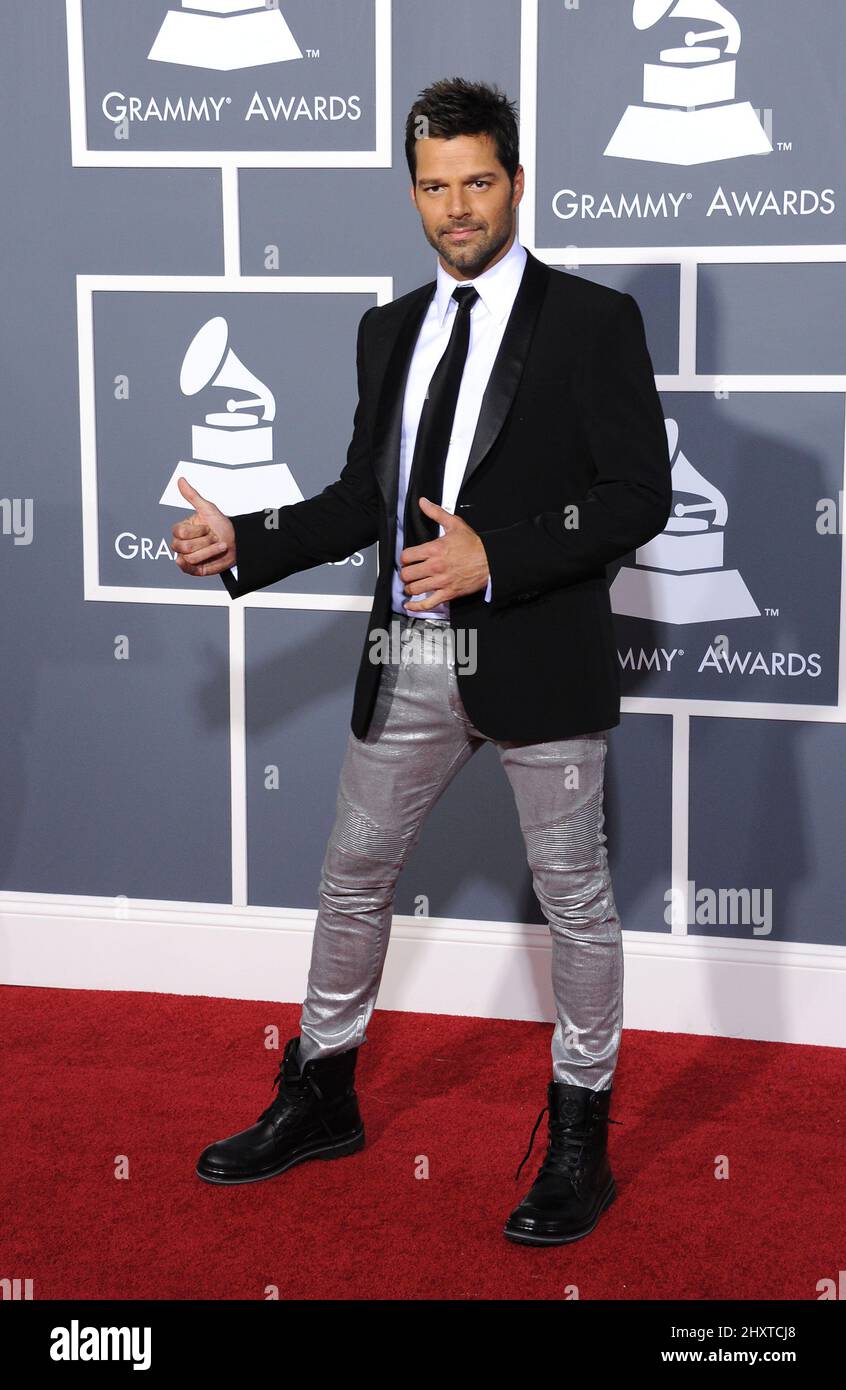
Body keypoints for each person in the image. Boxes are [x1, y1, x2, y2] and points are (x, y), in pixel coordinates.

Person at [171, 77, 672, 1246]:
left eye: (477, 183)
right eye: (436, 187)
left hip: (536, 656)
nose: (457, 209)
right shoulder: (387, 328)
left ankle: (581, 1135)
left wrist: (498, 556)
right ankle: (323, 1092)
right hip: (405, 657)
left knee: (577, 907)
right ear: (414, 191)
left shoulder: (594, 322)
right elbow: (365, 498)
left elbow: (635, 496)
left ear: (517, 181)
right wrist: (250, 539)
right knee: (352, 879)